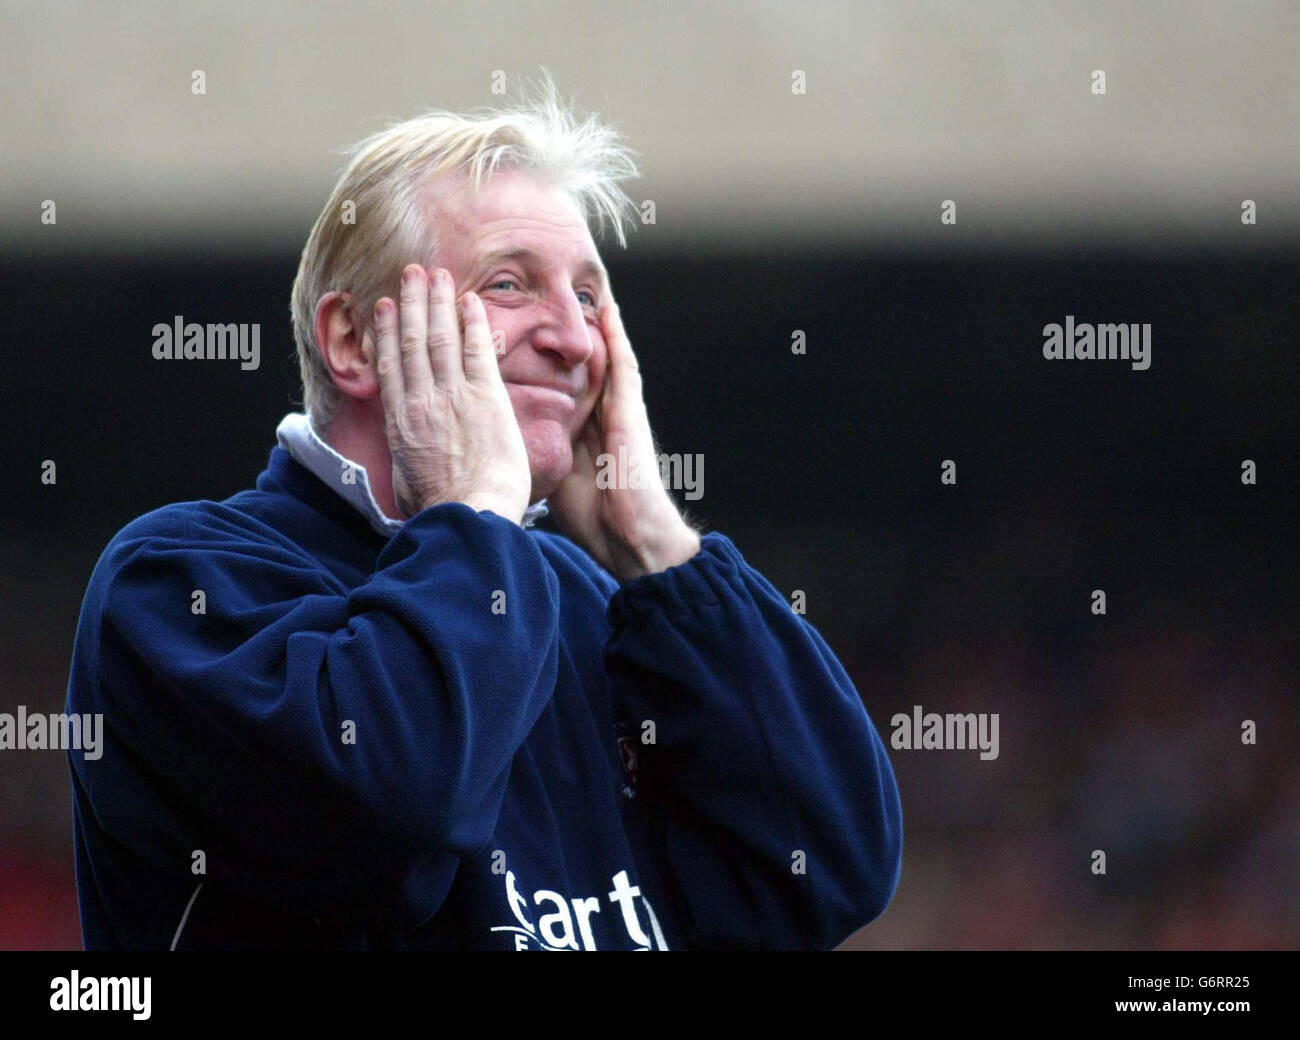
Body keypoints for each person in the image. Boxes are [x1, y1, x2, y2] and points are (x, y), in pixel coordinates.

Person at [65, 76, 902, 950]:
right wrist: (471, 508)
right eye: (511, 284)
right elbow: (395, 821)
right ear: (353, 342)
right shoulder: (178, 584)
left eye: (587, 296)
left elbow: (831, 870)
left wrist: (655, 548)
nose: (575, 338)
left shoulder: (593, 603)